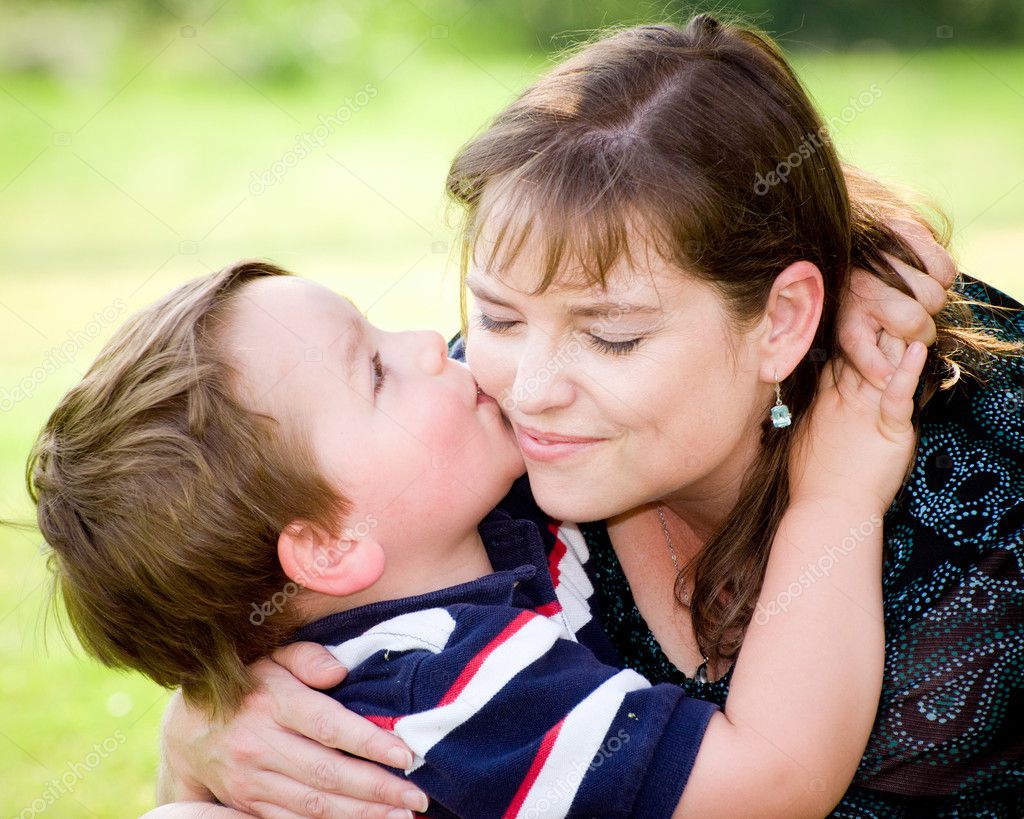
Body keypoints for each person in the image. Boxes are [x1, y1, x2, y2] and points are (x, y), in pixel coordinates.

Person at [159, 15, 1024, 819]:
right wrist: (201, 728)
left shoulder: (985, 502)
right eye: (498, 316)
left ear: (784, 319)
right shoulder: (469, 443)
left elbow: (776, 778)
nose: (529, 390)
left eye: (611, 336)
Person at [29, 259, 926, 818]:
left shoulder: (463, 527)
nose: (432, 342)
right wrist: (836, 496)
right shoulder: (445, 691)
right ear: (331, 547)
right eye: (375, 372)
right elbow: (772, 781)